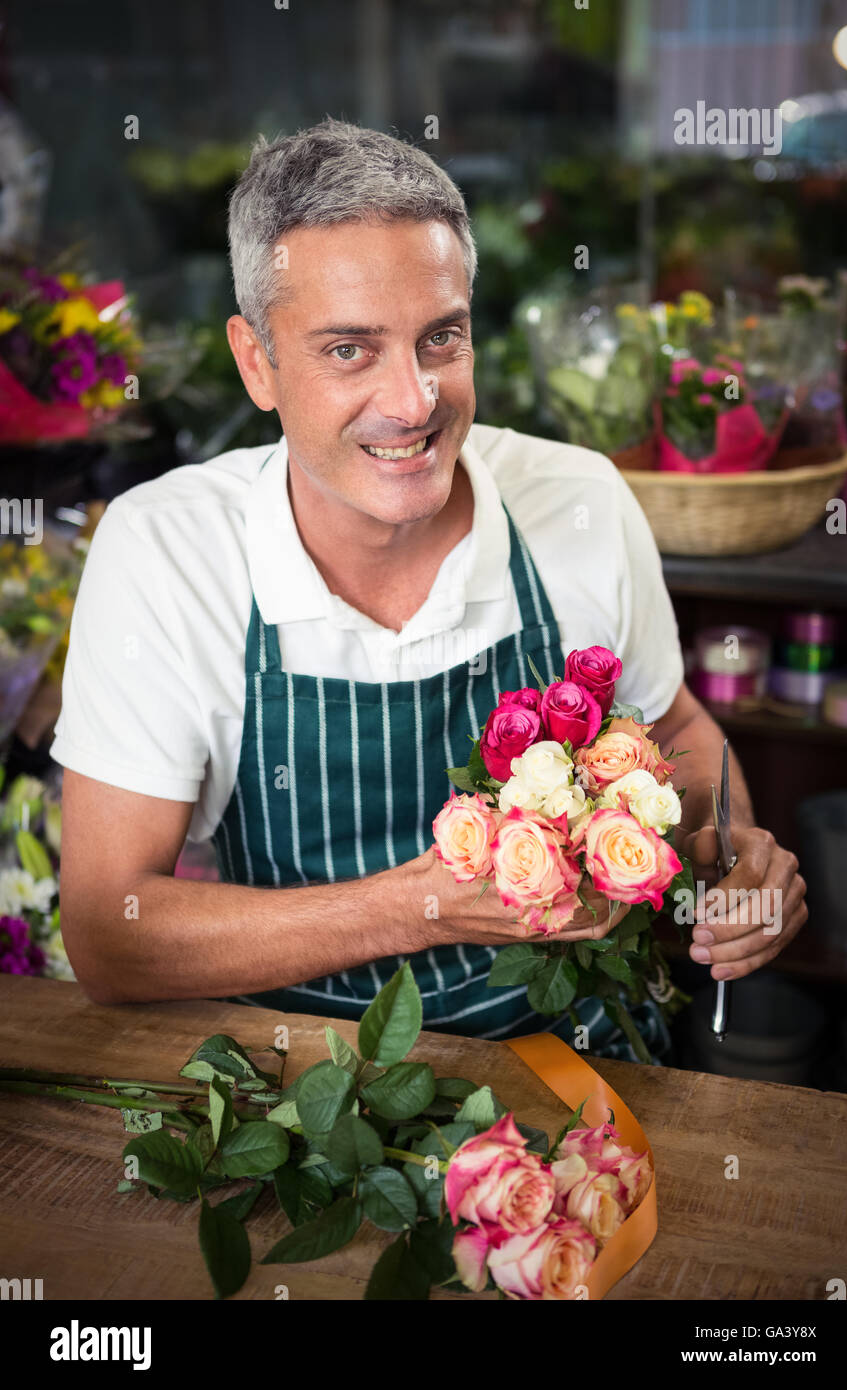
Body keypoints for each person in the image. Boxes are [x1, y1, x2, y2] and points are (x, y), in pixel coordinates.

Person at [50, 118, 807, 1065]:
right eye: (348, 351)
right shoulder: (168, 550)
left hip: (584, 1063)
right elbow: (110, 935)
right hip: (306, 1093)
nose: (413, 402)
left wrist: (728, 845)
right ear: (257, 363)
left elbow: (681, 731)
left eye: (439, 338)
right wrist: (423, 907)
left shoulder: (576, 502)